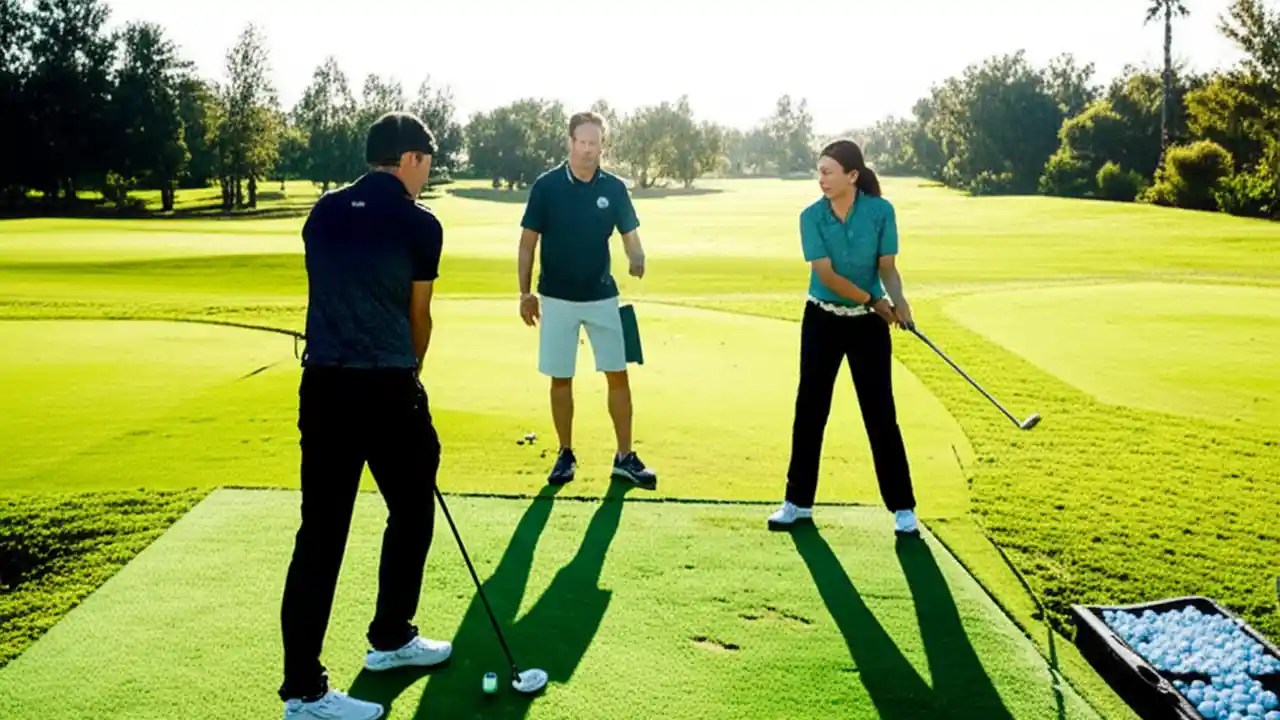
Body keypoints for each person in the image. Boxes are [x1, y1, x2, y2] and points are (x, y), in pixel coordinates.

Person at [278, 112, 451, 720]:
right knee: (411, 510)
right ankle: (387, 636)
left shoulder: (323, 212)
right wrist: (414, 369)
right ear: (409, 159)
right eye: (427, 160)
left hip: (322, 387)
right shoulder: (420, 223)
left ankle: (313, 680)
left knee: (319, 536)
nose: (428, 171)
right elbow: (418, 316)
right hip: (386, 391)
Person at [767, 139, 920, 536]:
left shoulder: (880, 211)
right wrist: (874, 301)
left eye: (828, 172)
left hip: (867, 325)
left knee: (880, 413)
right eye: (819, 171)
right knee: (811, 409)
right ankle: (796, 502)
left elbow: (887, 267)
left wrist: (899, 302)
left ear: (852, 175)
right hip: (823, 319)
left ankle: (903, 508)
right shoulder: (811, 216)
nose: (821, 179)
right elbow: (827, 275)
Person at [516, 111, 657, 490]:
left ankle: (624, 457)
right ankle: (565, 453)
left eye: (595, 143)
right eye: (582, 142)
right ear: (570, 142)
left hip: (601, 296)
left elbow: (630, 232)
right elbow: (528, 242)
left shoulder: (613, 188)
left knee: (618, 375)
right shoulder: (546, 186)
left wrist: (636, 255)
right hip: (556, 297)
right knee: (561, 378)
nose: (588, 150)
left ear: (602, 145)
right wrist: (524, 292)